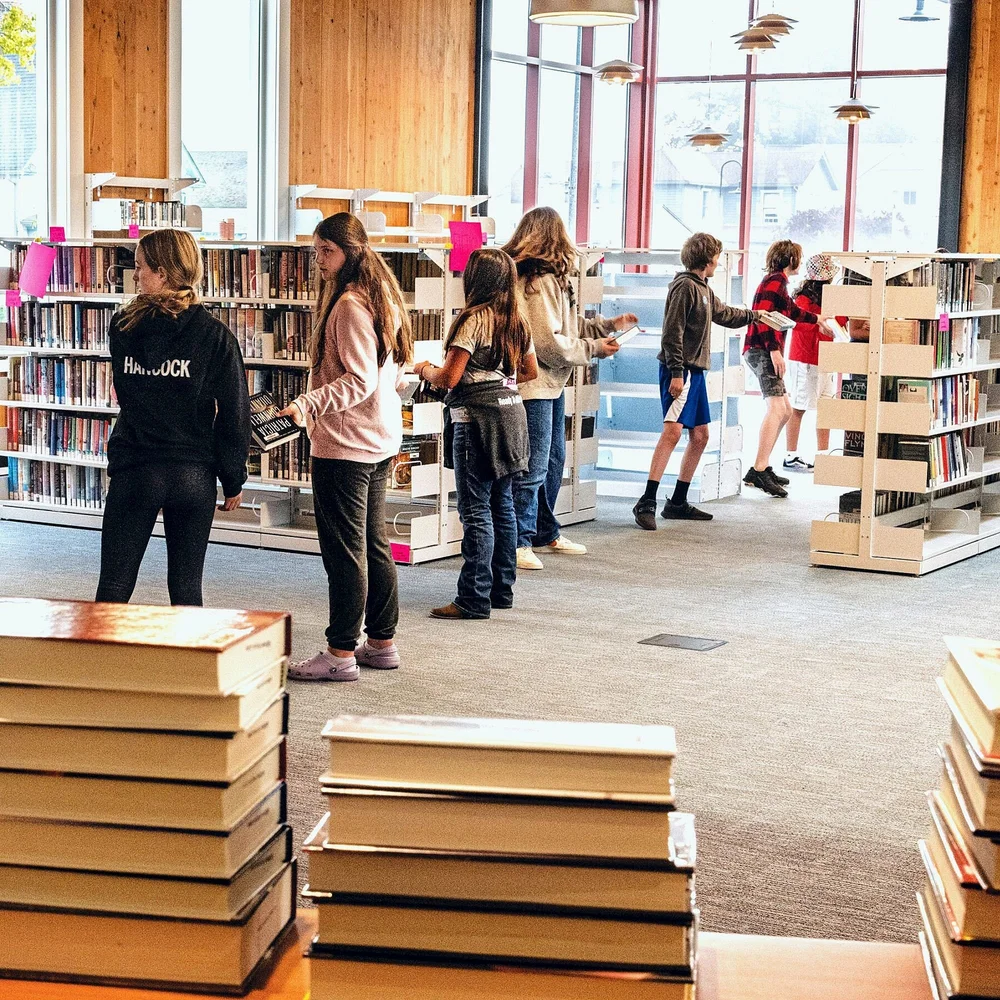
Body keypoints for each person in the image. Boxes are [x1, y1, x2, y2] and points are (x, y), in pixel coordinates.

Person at [279, 213, 412, 682]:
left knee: (345, 552)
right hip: (377, 439)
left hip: (347, 443)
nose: (318, 261)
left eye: (326, 251)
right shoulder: (382, 297)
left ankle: (339, 653)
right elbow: (392, 374)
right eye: (315, 251)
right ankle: (382, 642)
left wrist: (306, 404)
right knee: (373, 545)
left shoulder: (351, 305)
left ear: (350, 251)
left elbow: (357, 381)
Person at [95, 229, 250, 607]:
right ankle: (193, 667)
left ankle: (98, 664)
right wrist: (233, 478)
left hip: (137, 466)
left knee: (114, 585)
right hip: (192, 473)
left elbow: (126, 394)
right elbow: (235, 412)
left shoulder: (122, 327)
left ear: (162, 274)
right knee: (185, 588)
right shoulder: (215, 335)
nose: (134, 276)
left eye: (140, 267)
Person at [502, 207, 636, 570]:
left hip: (551, 381)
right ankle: (519, 540)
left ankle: (544, 530)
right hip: (535, 383)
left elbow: (565, 323)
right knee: (533, 465)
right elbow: (547, 341)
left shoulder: (551, 278)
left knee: (553, 459)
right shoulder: (535, 280)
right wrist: (593, 349)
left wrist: (605, 325)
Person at [415, 248, 537, 619]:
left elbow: (450, 377)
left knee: (476, 511)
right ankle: (501, 590)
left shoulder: (472, 320)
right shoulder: (518, 320)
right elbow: (529, 372)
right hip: (511, 418)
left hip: (476, 423)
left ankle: (472, 597)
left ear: (474, 280)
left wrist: (423, 369)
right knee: (503, 506)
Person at [633, 233, 761, 531]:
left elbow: (725, 314)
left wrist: (756, 316)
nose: (719, 260)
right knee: (673, 433)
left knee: (700, 436)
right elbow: (671, 332)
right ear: (708, 259)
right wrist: (677, 373)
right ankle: (647, 501)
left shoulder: (702, 287)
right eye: (717, 255)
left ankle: (677, 502)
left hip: (694, 373)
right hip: (682, 372)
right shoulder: (685, 287)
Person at [742, 240, 829, 499]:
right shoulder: (775, 282)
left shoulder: (778, 282)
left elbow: (791, 312)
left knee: (786, 410)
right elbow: (763, 316)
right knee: (778, 409)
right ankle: (758, 470)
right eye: (797, 259)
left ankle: (762, 466)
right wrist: (773, 350)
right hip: (762, 349)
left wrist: (817, 320)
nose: (800, 264)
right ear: (790, 259)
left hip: (765, 349)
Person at [783, 254, 846, 472]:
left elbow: (838, 321)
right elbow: (797, 323)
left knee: (825, 407)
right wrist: (820, 324)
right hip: (805, 358)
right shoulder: (802, 299)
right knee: (799, 407)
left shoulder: (830, 297)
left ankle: (823, 454)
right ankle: (790, 455)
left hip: (825, 358)